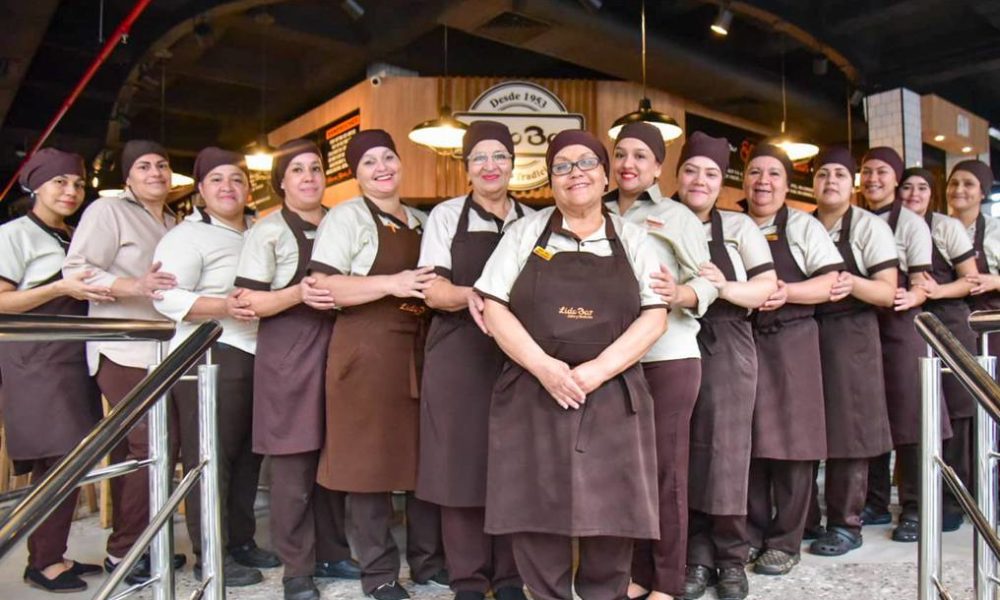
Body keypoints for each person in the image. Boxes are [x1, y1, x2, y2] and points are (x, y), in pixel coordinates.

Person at [474, 129, 667, 600]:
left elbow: (656, 315)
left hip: (612, 390)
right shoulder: (523, 234)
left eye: (585, 164)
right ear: (551, 181)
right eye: (561, 166)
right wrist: (545, 368)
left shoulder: (635, 239)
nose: (574, 173)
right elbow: (492, 307)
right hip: (533, 389)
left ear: (605, 177)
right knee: (538, 508)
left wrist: (597, 370)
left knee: (612, 510)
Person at [309, 130, 446, 600]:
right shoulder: (346, 218)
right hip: (365, 350)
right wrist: (394, 282)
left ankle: (429, 563)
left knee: (423, 461)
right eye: (369, 162)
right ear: (355, 173)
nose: (382, 167)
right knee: (369, 467)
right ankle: (380, 575)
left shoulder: (424, 221)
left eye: (388, 157)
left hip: (420, 347)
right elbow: (325, 286)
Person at [233, 138, 360, 600]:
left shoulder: (343, 222)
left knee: (334, 459)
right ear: (281, 181)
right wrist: (297, 294)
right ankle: (297, 569)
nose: (309, 178)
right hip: (287, 356)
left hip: (341, 350)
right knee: (292, 467)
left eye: (315, 169)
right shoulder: (266, 231)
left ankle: (333, 551)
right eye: (298, 171)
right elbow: (247, 301)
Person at [602, 122, 718, 600]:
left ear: (656, 167)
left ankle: (667, 583)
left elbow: (708, 280)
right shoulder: (594, 209)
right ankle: (632, 573)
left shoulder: (678, 216)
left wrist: (684, 292)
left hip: (667, 358)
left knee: (667, 472)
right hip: (610, 361)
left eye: (641, 157)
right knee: (622, 472)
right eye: (621, 154)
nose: (629, 164)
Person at [416, 121, 530, 600]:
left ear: (511, 165)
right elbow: (432, 291)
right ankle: (467, 578)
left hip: (517, 356)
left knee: (512, 464)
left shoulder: (531, 219)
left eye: (499, 157)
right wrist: (477, 296)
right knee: (458, 465)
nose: (490, 166)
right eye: (479, 158)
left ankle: (508, 576)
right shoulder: (445, 216)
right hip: (458, 353)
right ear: (466, 169)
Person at [152, 147, 277, 587]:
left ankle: (242, 540)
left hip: (256, 355)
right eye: (218, 180)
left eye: (237, 179)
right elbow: (164, 297)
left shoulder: (256, 230)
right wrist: (222, 305)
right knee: (211, 458)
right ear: (201, 190)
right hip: (210, 354)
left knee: (248, 455)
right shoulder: (186, 237)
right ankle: (212, 552)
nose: (229, 187)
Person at [62, 140, 185, 583]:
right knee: (153, 445)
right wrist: (134, 285)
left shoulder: (175, 220)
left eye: (162, 164)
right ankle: (125, 552)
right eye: (144, 166)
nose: (155, 172)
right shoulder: (107, 211)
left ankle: (146, 541)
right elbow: (76, 272)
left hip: (166, 351)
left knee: (152, 449)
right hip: (122, 348)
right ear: (128, 177)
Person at [674, 133, 776, 600]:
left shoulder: (739, 227)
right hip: (671, 338)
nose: (700, 180)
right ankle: (696, 557)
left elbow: (766, 289)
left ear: (721, 182)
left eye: (711, 173)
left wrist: (723, 286)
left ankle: (731, 560)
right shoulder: (658, 219)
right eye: (691, 170)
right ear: (676, 175)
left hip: (729, 340)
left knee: (728, 454)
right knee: (684, 453)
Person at [0, 148, 106, 593]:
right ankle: (42, 563)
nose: (71, 191)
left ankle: (52, 555)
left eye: (78, 183)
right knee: (58, 457)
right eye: (60, 182)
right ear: (35, 186)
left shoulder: (75, 235)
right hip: (34, 358)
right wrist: (60, 286)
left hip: (74, 355)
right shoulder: (14, 235)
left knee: (73, 457)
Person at [738, 144, 844, 576]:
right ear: (744, 181)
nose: (763, 182)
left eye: (774, 174)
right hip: (744, 341)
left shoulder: (802, 225)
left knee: (795, 446)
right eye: (755, 173)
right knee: (751, 443)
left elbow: (832, 283)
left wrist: (788, 292)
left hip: (793, 340)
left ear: (787, 183)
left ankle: (786, 540)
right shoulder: (730, 223)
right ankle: (752, 534)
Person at [809, 147, 897, 557]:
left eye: (839, 175)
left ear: (852, 184)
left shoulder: (867, 226)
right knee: (804, 430)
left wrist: (850, 282)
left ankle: (846, 524)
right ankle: (804, 520)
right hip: (806, 332)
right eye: (823, 174)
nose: (830, 181)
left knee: (849, 431)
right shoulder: (800, 224)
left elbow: (887, 290)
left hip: (850, 334)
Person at [857, 148, 936, 541]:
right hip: (861, 327)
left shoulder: (911, 224)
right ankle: (873, 501)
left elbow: (923, 280)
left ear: (895, 179)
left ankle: (916, 509)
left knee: (908, 420)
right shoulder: (854, 219)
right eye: (867, 171)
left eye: (882, 172)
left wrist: (912, 296)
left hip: (900, 328)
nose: (873, 178)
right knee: (871, 416)